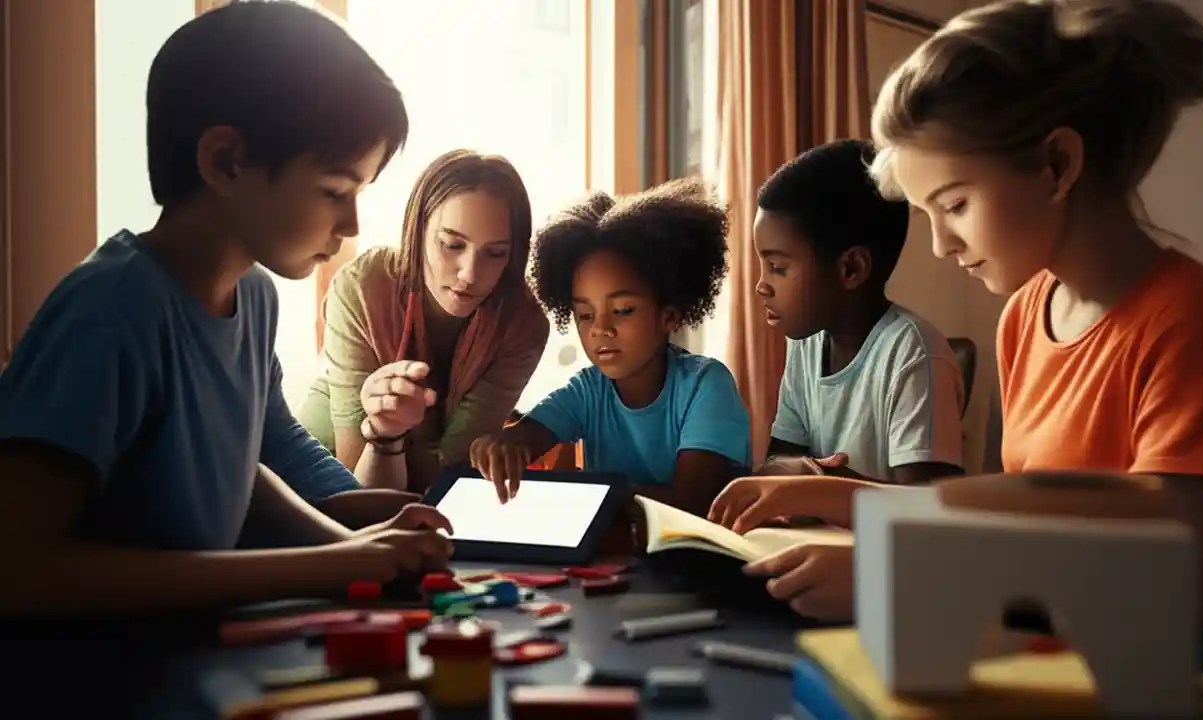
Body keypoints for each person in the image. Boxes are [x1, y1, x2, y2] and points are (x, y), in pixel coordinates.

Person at [742, 0, 1203, 639]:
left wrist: (904, 573)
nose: (941, 245)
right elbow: (1019, 517)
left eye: (956, 205)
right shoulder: (1026, 317)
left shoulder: (1195, 321)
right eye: (928, 215)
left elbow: (1201, 576)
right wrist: (834, 496)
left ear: (1057, 165)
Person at [0, 1, 454, 620]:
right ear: (226, 162)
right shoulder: (112, 310)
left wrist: (355, 538)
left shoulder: (254, 296)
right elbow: (19, 570)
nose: (350, 224)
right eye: (334, 191)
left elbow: (251, 465)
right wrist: (332, 563)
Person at [468, 178, 751, 515]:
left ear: (668, 316)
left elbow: (692, 503)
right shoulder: (588, 391)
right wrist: (502, 446)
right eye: (585, 314)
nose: (601, 329)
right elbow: (526, 436)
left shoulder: (706, 385)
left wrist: (588, 497)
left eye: (622, 311)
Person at [298, 150, 550, 497]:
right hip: (322, 465)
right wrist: (384, 432)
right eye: (451, 245)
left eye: (495, 253)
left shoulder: (522, 323)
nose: (470, 274)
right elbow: (355, 483)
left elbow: (455, 469)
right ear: (416, 232)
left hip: (431, 493)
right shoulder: (362, 287)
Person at [747, 138, 965, 484]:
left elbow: (927, 510)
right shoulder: (806, 345)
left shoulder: (914, 355)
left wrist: (822, 482)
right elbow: (782, 463)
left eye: (778, 267)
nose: (762, 285)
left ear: (851, 269)